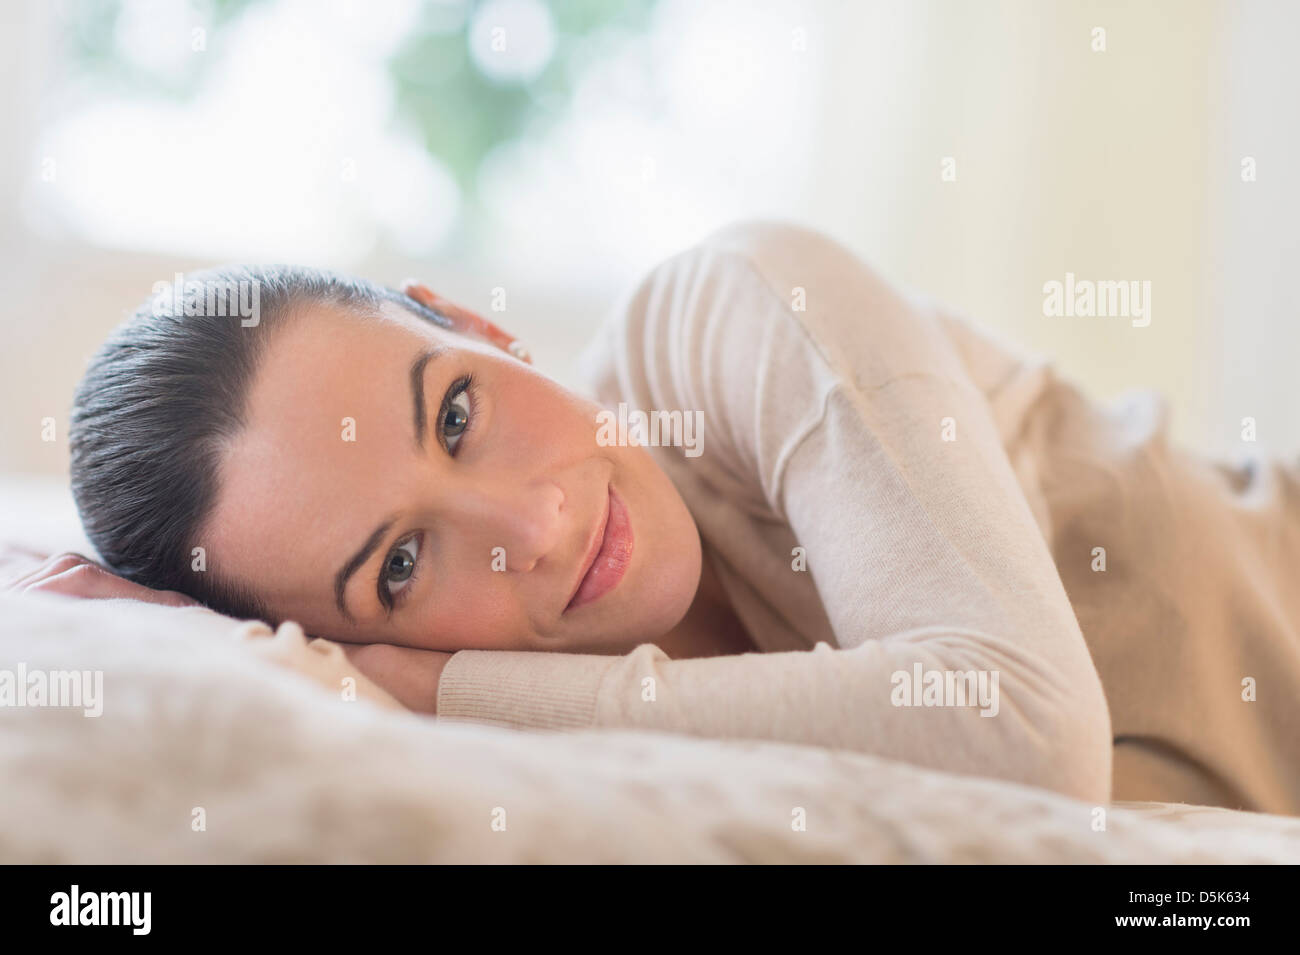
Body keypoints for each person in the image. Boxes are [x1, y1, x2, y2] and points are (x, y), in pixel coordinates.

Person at [15, 220, 1300, 814]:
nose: (536, 519)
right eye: (400, 562)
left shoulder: (735, 311)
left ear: (467, 320)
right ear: (329, 637)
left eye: (456, 411)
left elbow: (1019, 731)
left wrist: (446, 685)